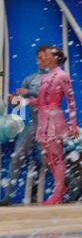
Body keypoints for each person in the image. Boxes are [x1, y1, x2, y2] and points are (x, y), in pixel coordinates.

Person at [28, 46, 78, 205]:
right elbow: (40, 102)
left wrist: (73, 125)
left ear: (56, 58)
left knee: (56, 157)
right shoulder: (46, 77)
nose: (45, 58)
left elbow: (71, 101)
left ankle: (57, 194)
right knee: (48, 157)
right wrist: (20, 102)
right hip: (43, 118)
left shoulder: (62, 76)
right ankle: (60, 187)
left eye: (48, 55)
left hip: (54, 119)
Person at [1, 56, 47, 205]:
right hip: (33, 125)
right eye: (40, 57)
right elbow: (19, 106)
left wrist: (29, 92)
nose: (43, 60)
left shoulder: (55, 78)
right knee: (16, 157)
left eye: (46, 57)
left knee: (49, 161)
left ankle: (68, 188)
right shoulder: (30, 78)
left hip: (49, 125)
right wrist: (13, 102)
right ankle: (8, 196)